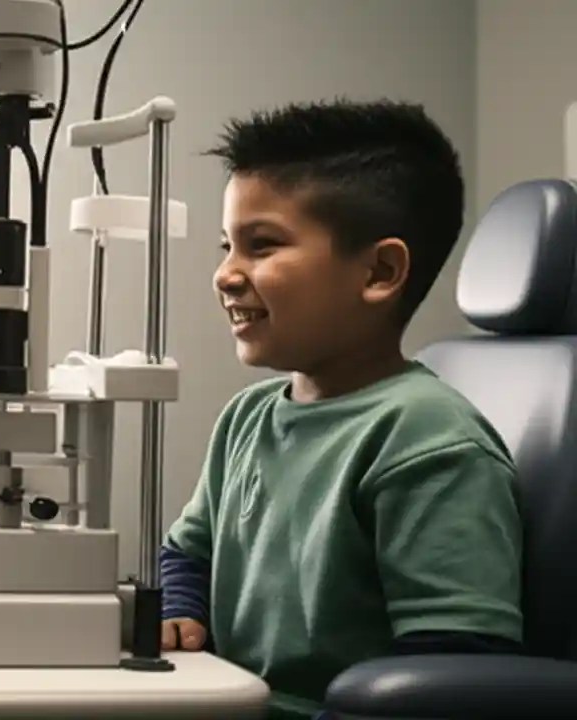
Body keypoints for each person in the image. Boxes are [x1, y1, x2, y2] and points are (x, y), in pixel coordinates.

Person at [157, 99, 525, 719]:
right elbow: (188, 552)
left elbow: (453, 668)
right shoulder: (246, 418)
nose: (226, 275)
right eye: (227, 247)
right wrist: (180, 614)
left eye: (262, 245)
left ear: (380, 271)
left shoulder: (425, 438)